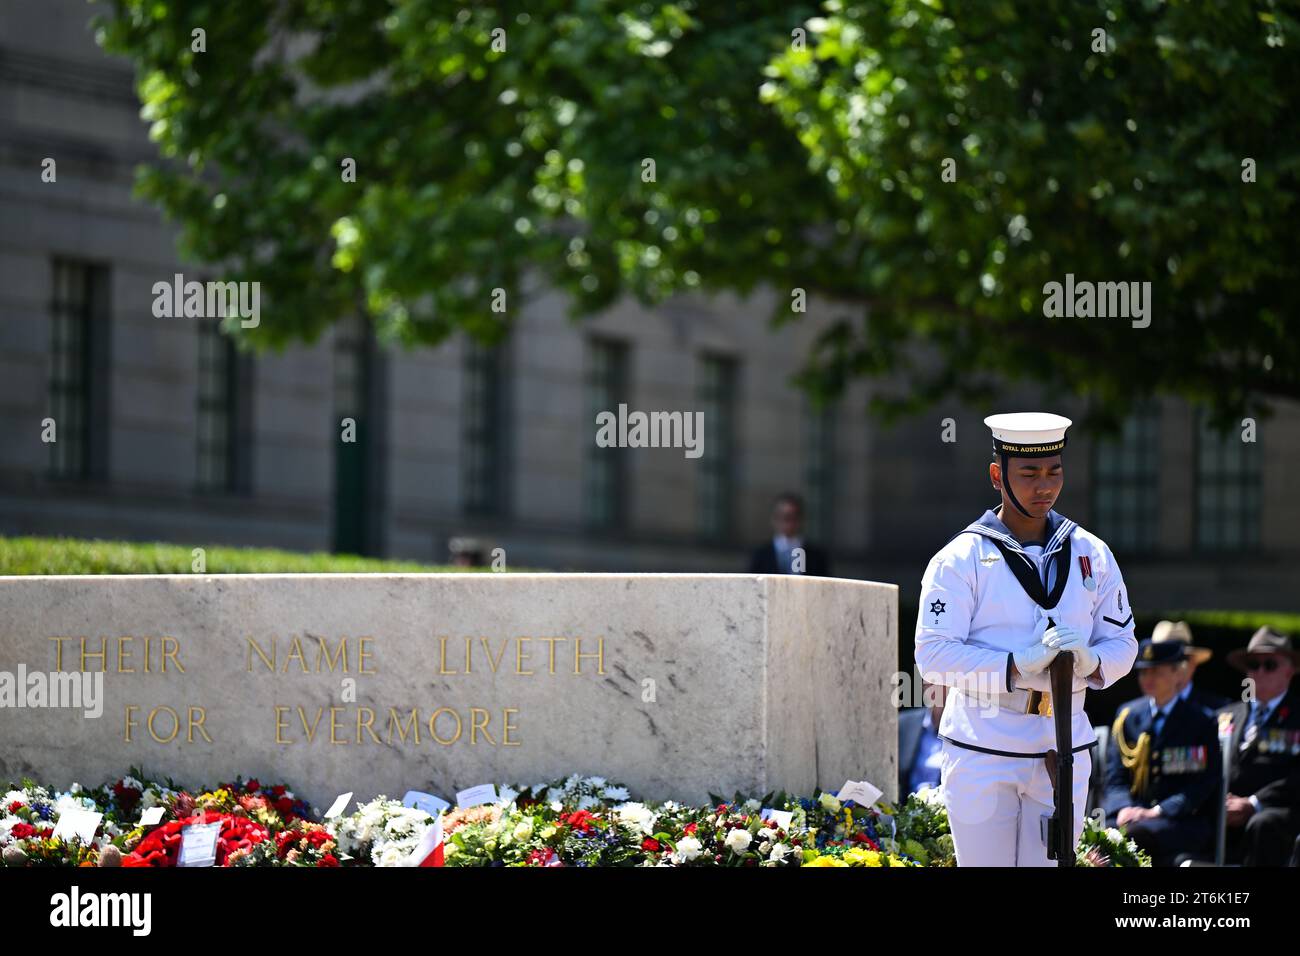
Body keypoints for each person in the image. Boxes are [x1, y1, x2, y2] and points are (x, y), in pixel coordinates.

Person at [915, 412, 1138, 866]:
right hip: (985, 743)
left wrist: (1089, 660)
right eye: (1029, 473)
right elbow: (932, 655)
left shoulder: (1090, 552)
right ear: (998, 475)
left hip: (1062, 744)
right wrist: (1015, 666)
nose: (1045, 486)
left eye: (1054, 471)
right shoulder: (961, 558)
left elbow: (1124, 643)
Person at [1101, 639, 1221, 865]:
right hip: (1132, 813)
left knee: (1133, 837)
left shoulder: (1200, 721)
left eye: (1156, 671)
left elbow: (1203, 784)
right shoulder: (1128, 716)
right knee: (1095, 835)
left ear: (1178, 673)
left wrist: (1157, 811)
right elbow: (1114, 777)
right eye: (1143, 672)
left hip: (1180, 821)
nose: (1148, 679)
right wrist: (1124, 807)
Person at [1216, 626, 1300, 866]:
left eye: (1270, 665)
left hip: (1279, 811)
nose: (1260, 671)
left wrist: (1254, 803)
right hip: (1226, 810)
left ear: (1289, 670)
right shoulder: (1225, 716)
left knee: (1263, 824)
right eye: (1254, 665)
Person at [1151, 619, 1228, 712]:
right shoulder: (1133, 715)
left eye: (1180, 660)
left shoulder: (1218, 710)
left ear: (1193, 663)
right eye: (1161, 663)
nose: (1173, 669)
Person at [748, 492, 830, 576]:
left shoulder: (816, 556)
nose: (787, 523)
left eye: (791, 517)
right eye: (782, 517)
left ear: (800, 520)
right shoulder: (761, 555)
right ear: (773, 519)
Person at [899, 683, 947, 797]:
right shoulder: (904, 723)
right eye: (929, 683)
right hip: (904, 809)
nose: (934, 689)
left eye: (941, 684)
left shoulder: (967, 730)